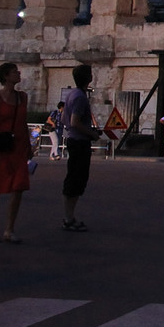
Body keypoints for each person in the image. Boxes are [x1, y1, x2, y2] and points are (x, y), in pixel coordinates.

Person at [0, 62, 33, 242]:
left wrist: (29, 146)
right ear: (6, 77)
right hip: (0, 145)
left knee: (18, 187)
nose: (18, 74)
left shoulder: (22, 97)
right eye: (14, 72)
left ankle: (10, 228)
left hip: (18, 145)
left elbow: (23, 122)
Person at [60, 64, 95, 231]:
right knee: (77, 179)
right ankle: (69, 217)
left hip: (73, 139)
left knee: (74, 177)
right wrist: (91, 134)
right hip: (80, 142)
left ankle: (69, 216)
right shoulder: (80, 97)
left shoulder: (71, 94)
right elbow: (75, 122)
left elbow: (63, 119)